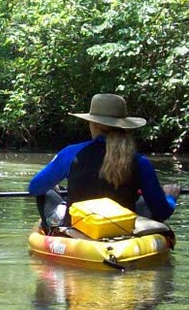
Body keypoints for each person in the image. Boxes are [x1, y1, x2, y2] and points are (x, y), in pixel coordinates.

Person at [28, 93, 178, 233]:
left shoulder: (71, 153)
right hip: (120, 230)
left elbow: (34, 188)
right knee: (145, 200)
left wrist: (52, 186)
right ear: (124, 128)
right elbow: (162, 211)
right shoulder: (140, 162)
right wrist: (170, 197)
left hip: (77, 230)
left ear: (94, 125)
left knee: (46, 193)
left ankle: (51, 230)